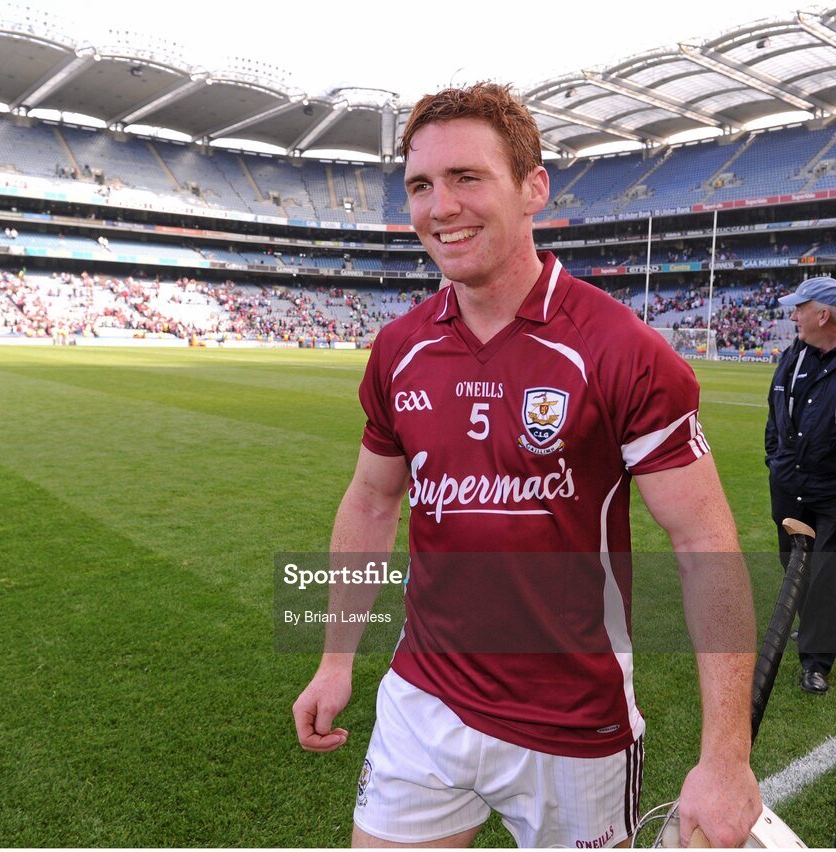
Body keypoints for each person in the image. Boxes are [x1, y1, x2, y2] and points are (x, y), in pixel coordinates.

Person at [292, 83, 761, 848]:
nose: (440, 207)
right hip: (424, 699)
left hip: (573, 727)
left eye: (467, 178)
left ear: (533, 187)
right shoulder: (399, 349)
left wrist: (726, 757)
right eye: (420, 185)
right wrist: (335, 661)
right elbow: (373, 502)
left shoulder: (620, 351)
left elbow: (706, 544)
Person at [765, 276, 836, 695]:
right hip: (789, 484)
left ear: (823, 314)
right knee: (795, 564)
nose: (793, 314)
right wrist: (775, 460)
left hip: (830, 491)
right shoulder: (794, 356)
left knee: (827, 571)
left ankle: (816, 661)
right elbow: (775, 414)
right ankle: (812, 625)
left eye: (800, 307)